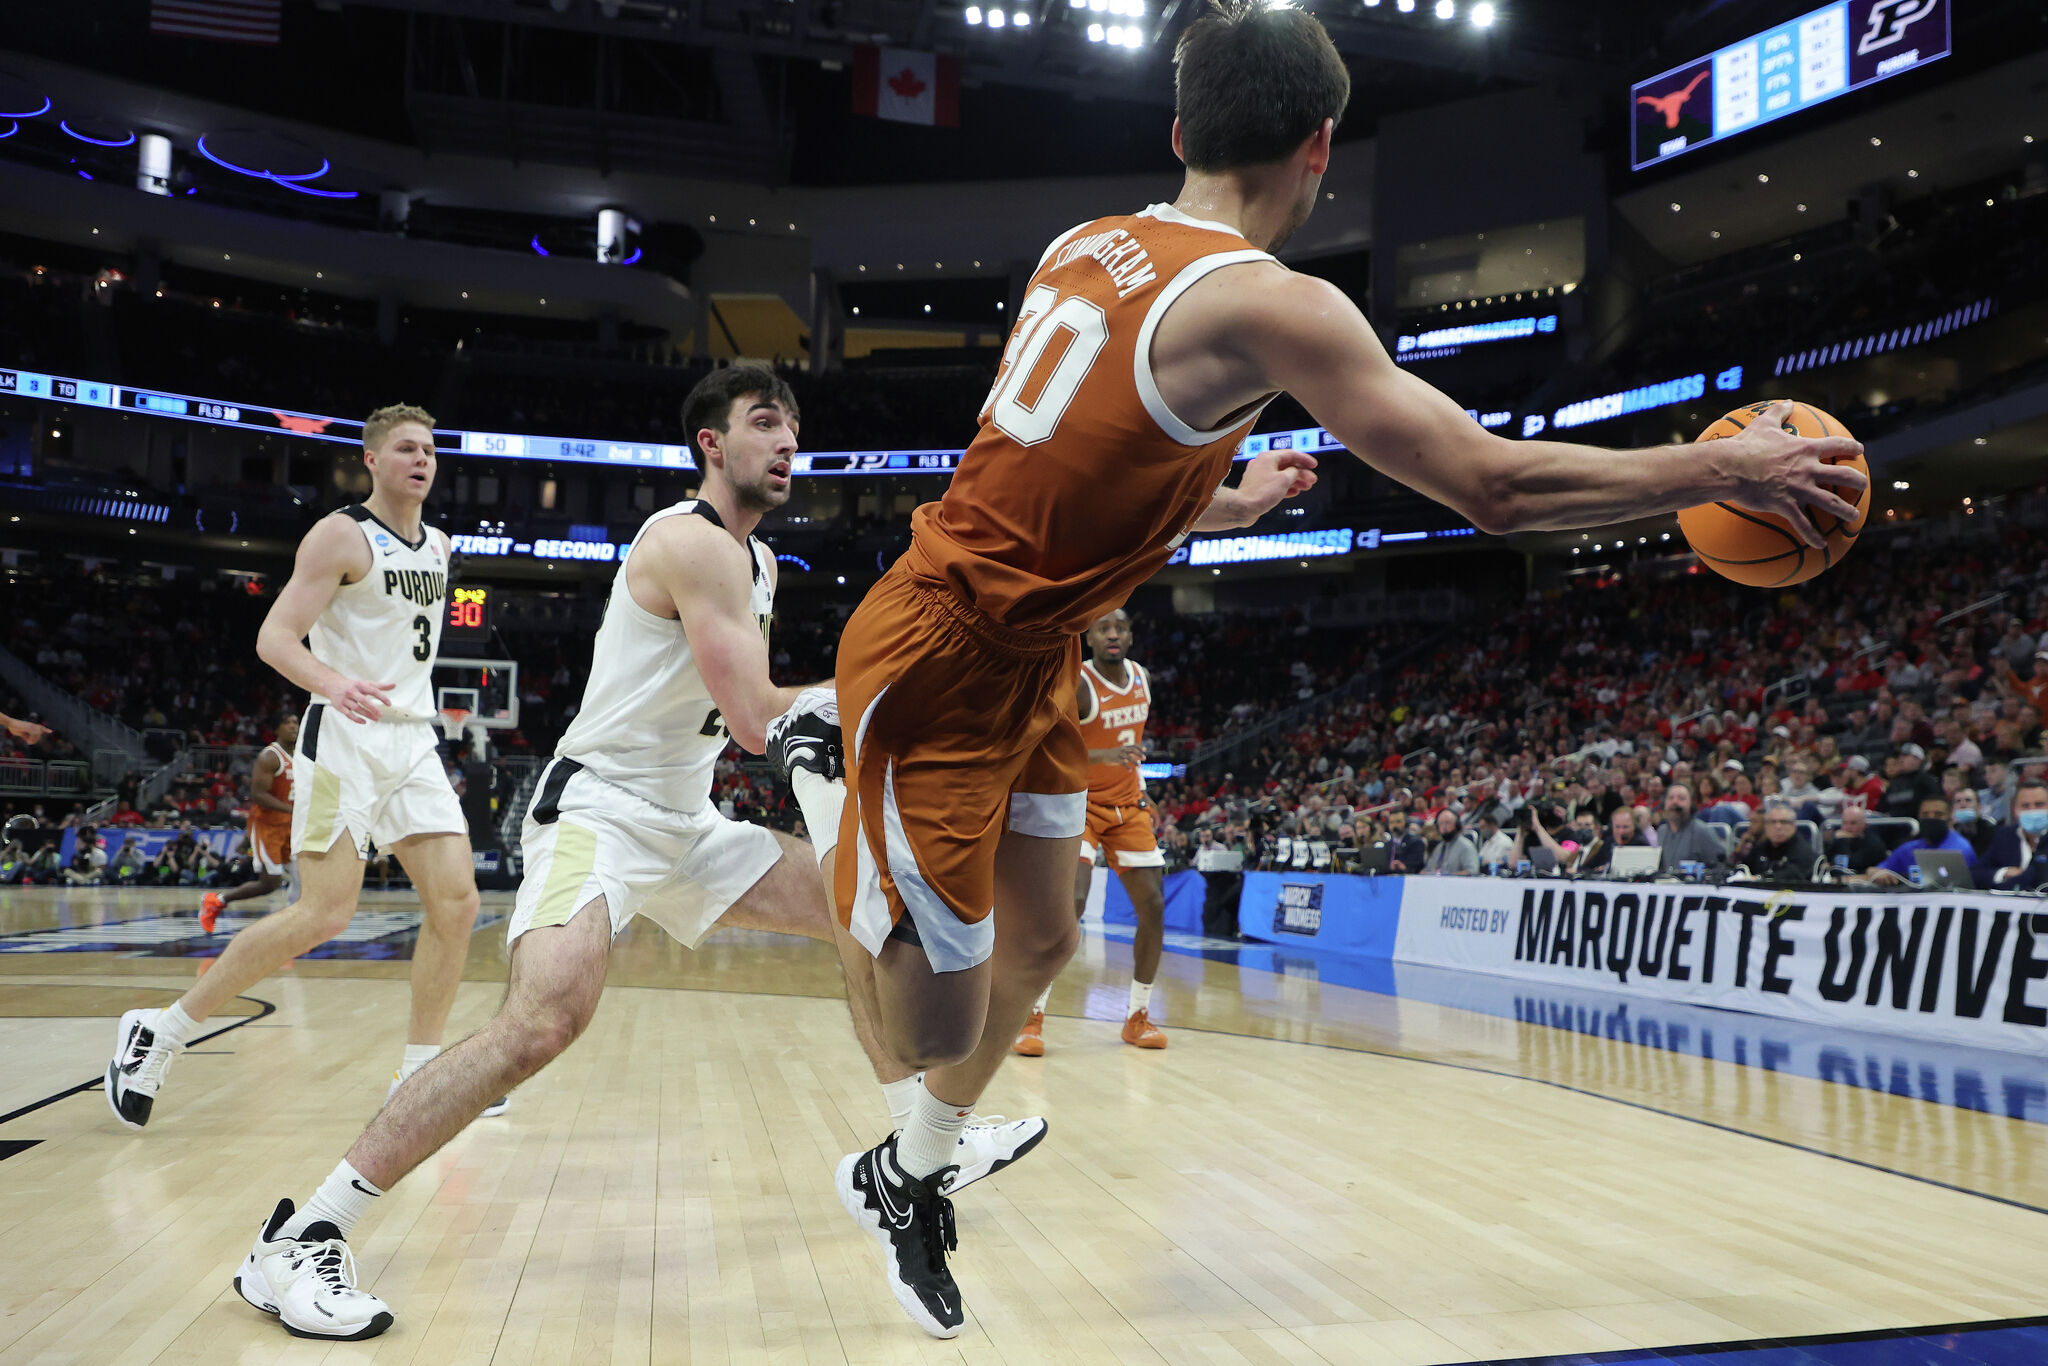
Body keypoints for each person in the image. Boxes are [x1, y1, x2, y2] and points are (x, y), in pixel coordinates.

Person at [822, 0, 1862, 1339]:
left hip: (1036, 649)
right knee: (927, 1029)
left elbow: (1067, 464)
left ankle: (903, 1176)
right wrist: (1723, 469)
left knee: (1045, 937)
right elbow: (1490, 485)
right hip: (941, 659)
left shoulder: (1087, 241)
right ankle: (817, 777)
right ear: (1320, 144)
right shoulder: (1275, 304)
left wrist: (1225, 501)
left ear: (1181, 132)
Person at [226, 367, 1043, 1344]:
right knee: (543, 1020)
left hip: (685, 820)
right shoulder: (688, 541)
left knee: (852, 903)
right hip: (600, 812)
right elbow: (755, 719)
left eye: (794, 425)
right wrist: (906, 688)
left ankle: (915, 1150)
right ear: (711, 444)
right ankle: (300, 1236)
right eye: (765, 422)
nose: (788, 440)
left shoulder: (759, 562)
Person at [107, 405, 488, 1132]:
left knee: (457, 903)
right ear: (371, 460)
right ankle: (161, 1030)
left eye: (430, 450)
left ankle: (418, 1073)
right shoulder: (341, 534)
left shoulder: (440, 545)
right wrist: (334, 684)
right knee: (325, 911)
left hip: (412, 741)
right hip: (344, 738)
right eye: (406, 449)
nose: (422, 460)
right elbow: (275, 637)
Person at [1018, 608, 1168, 1057]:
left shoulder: (1142, 679)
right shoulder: (1079, 684)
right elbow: (1046, 749)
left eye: (1120, 627)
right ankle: (1030, 1015)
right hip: (1078, 803)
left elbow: (1131, 746)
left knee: (1153, 905)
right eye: (1104, 628)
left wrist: (1143, 790)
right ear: (1090, 638)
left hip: (1126, 806)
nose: (1113, 634)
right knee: (1074, 902)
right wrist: (1102, 757)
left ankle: (1137, 1016)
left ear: (1131, 636)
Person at [201, 713, 299, 933]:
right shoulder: (270, 756)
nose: (293, 726)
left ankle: (296, 925)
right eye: (287, 722)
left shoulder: (301, 755)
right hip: (268, 825)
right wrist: (292, 809)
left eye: (296, 722)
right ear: (277, 729)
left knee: (304, 877)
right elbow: (258, 794)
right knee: (269, 883)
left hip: (291, 826)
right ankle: (216, 900)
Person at [1862, 795, 1979, 887]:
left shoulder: (1959, 848)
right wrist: (1875, 872)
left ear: (1950, 818)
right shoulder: (1908, 848)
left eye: (1938, 814)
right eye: (1925, 815)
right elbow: (1877, 870)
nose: (1931, 818)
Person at [1983, 777, 2048, 891]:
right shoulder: (2004, 835)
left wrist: (2003, 886)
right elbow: (1976, 873)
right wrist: (2002, 873)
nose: (2032, 810)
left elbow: (2035, 877)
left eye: (2039, 804)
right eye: (2025, 805)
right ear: (2015, 809)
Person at [1656, 784, 1728, 875]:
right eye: (1670, 798)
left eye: (1681, 798)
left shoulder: (1702, 831)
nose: (1674, 802)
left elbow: (1721, 867)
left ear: (1691, 804)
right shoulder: (1662, 831)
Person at [1735, 802, 1817, 880]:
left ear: (1793, 826)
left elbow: (1793, 875)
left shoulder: (1802, 850)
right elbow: (1743, 867)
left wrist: (1759, 878)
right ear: (1766, 826)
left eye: (1783, 822)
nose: (1778, 826)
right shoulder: (1761, 847)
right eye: (1772, 822)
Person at [1822, 800, 1890, 875]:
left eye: (1853, 823)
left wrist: (1843, 840)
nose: (1848, 827)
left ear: (1865, 825)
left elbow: (1850, 866)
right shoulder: (1838, 839)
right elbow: (1824, 860)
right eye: (1844, 823)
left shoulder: (1874, 844)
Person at [1420, 808, 1477, 875]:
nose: (1444, 827)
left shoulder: (1466, 846)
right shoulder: (1439, 848)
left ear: (1456, 825)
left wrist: (1449, 877)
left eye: (1448, 823)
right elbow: (1429, 869)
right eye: (1441, 823)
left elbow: (1472, 872)